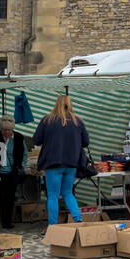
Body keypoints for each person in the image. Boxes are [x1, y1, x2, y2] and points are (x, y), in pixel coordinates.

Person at [32, 94, 89, 225]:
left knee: (53, 195)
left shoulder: (47, 120)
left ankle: (53, 225)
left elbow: (36, 140)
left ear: (56, 103)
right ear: (70, 104)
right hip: (71, 164)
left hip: (53, 164)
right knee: (68, 193)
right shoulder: (78, 121)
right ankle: (78, 220)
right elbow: (86, 142)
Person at [0, 117, 27, 229]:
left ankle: (6, 222)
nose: (6, 132)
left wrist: (21, 165)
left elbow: (25, 153)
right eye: (4, 130)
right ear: (0, 129)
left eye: (9, 130)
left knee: (9, 198)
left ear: (12, 129)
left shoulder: (18, 137)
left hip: (12, 172)